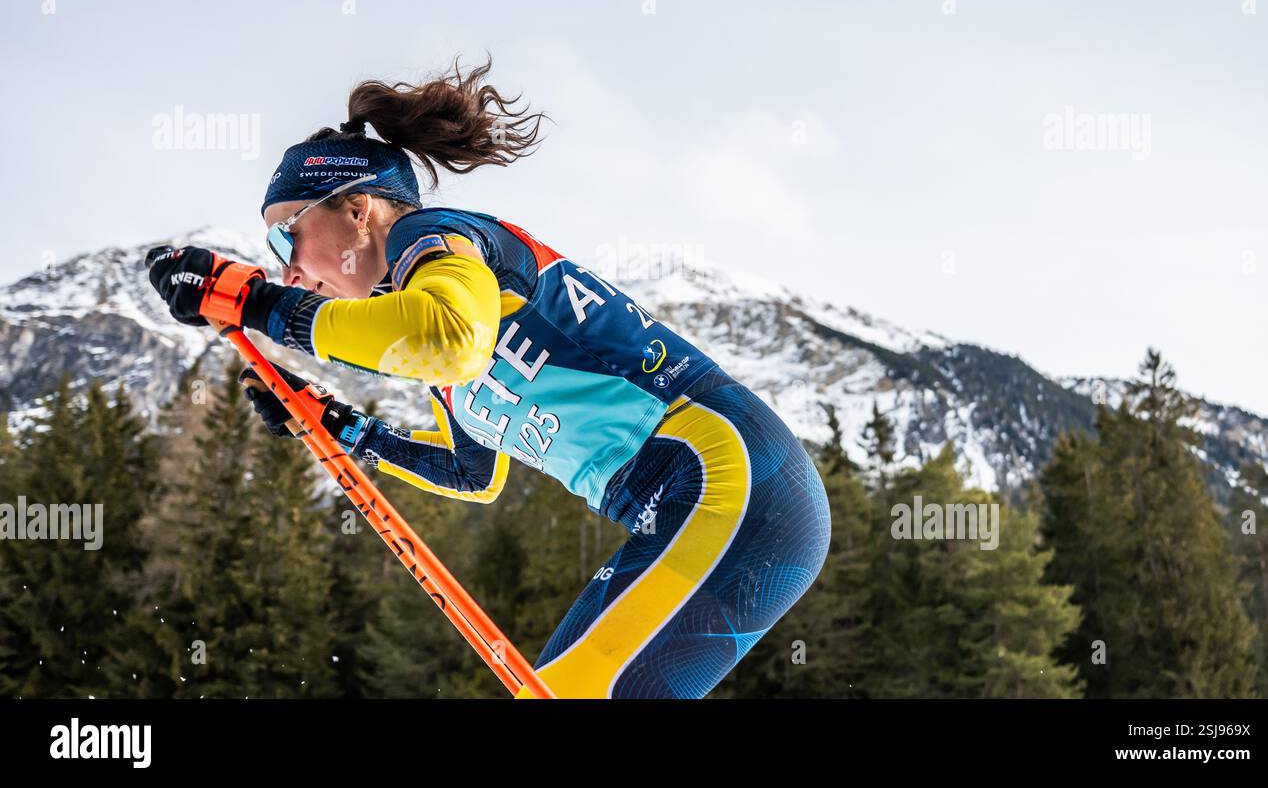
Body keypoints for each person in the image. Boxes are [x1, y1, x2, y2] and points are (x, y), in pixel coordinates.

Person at [145, 55, 832, 698]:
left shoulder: (437, 239)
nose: (288, 267)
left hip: (726, 477)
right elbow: (471, 473)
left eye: (284, 236)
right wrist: (344, 427)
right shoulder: (428, 330)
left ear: (356, 209)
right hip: (699, 503)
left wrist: (263, 304)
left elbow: (446, 339)